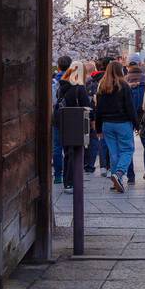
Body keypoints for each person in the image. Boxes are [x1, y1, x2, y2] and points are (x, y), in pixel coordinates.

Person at [95, 59, 139, 192]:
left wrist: (98, 127)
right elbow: (130, 107)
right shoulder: (124, 86)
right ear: (121, 71)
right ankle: (119, 173)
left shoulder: (102, 86)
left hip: (107, 124)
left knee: (113, 152)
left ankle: (116, 182)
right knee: (127, 150)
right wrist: (136, 124)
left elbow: (99, 109)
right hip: (123, 122)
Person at [56, 60, 93, 191]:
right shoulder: (79, 87)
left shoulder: (62, 86)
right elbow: (87, 106)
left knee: (67, 153)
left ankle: (67, 181)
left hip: (64, 121)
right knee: (75, 153)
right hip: (77, 122)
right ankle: (72, 181)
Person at [124, 52, 145, 184]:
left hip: (127, 117)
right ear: (140, 64)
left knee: (128, 147)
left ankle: (130, 177)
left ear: (128, 65)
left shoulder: (123, 81)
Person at [51, 54, 72, 184]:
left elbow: (53, 100)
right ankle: (68, 175)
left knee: (57, 146)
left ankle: (57, 175)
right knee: (68, 147)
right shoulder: (74, 80)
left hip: (57, 115)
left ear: (58, 67)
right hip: (70, 115)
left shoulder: (54, 82)